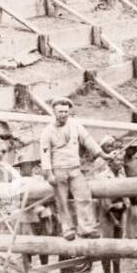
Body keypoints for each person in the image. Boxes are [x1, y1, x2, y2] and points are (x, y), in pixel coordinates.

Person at [39, 98, 108, 240]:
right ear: (54, 112)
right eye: (60, 112)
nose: (63, 114)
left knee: (84, 196)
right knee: (62, 201)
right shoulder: (47, 131)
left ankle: (87, 228)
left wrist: (103, 155)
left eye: (66, 111)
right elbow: (44, 154)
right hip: (58, 170)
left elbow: (88, 141)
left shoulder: (76, 126)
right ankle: (67, 229)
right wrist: (49, 174)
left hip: (75, 169)